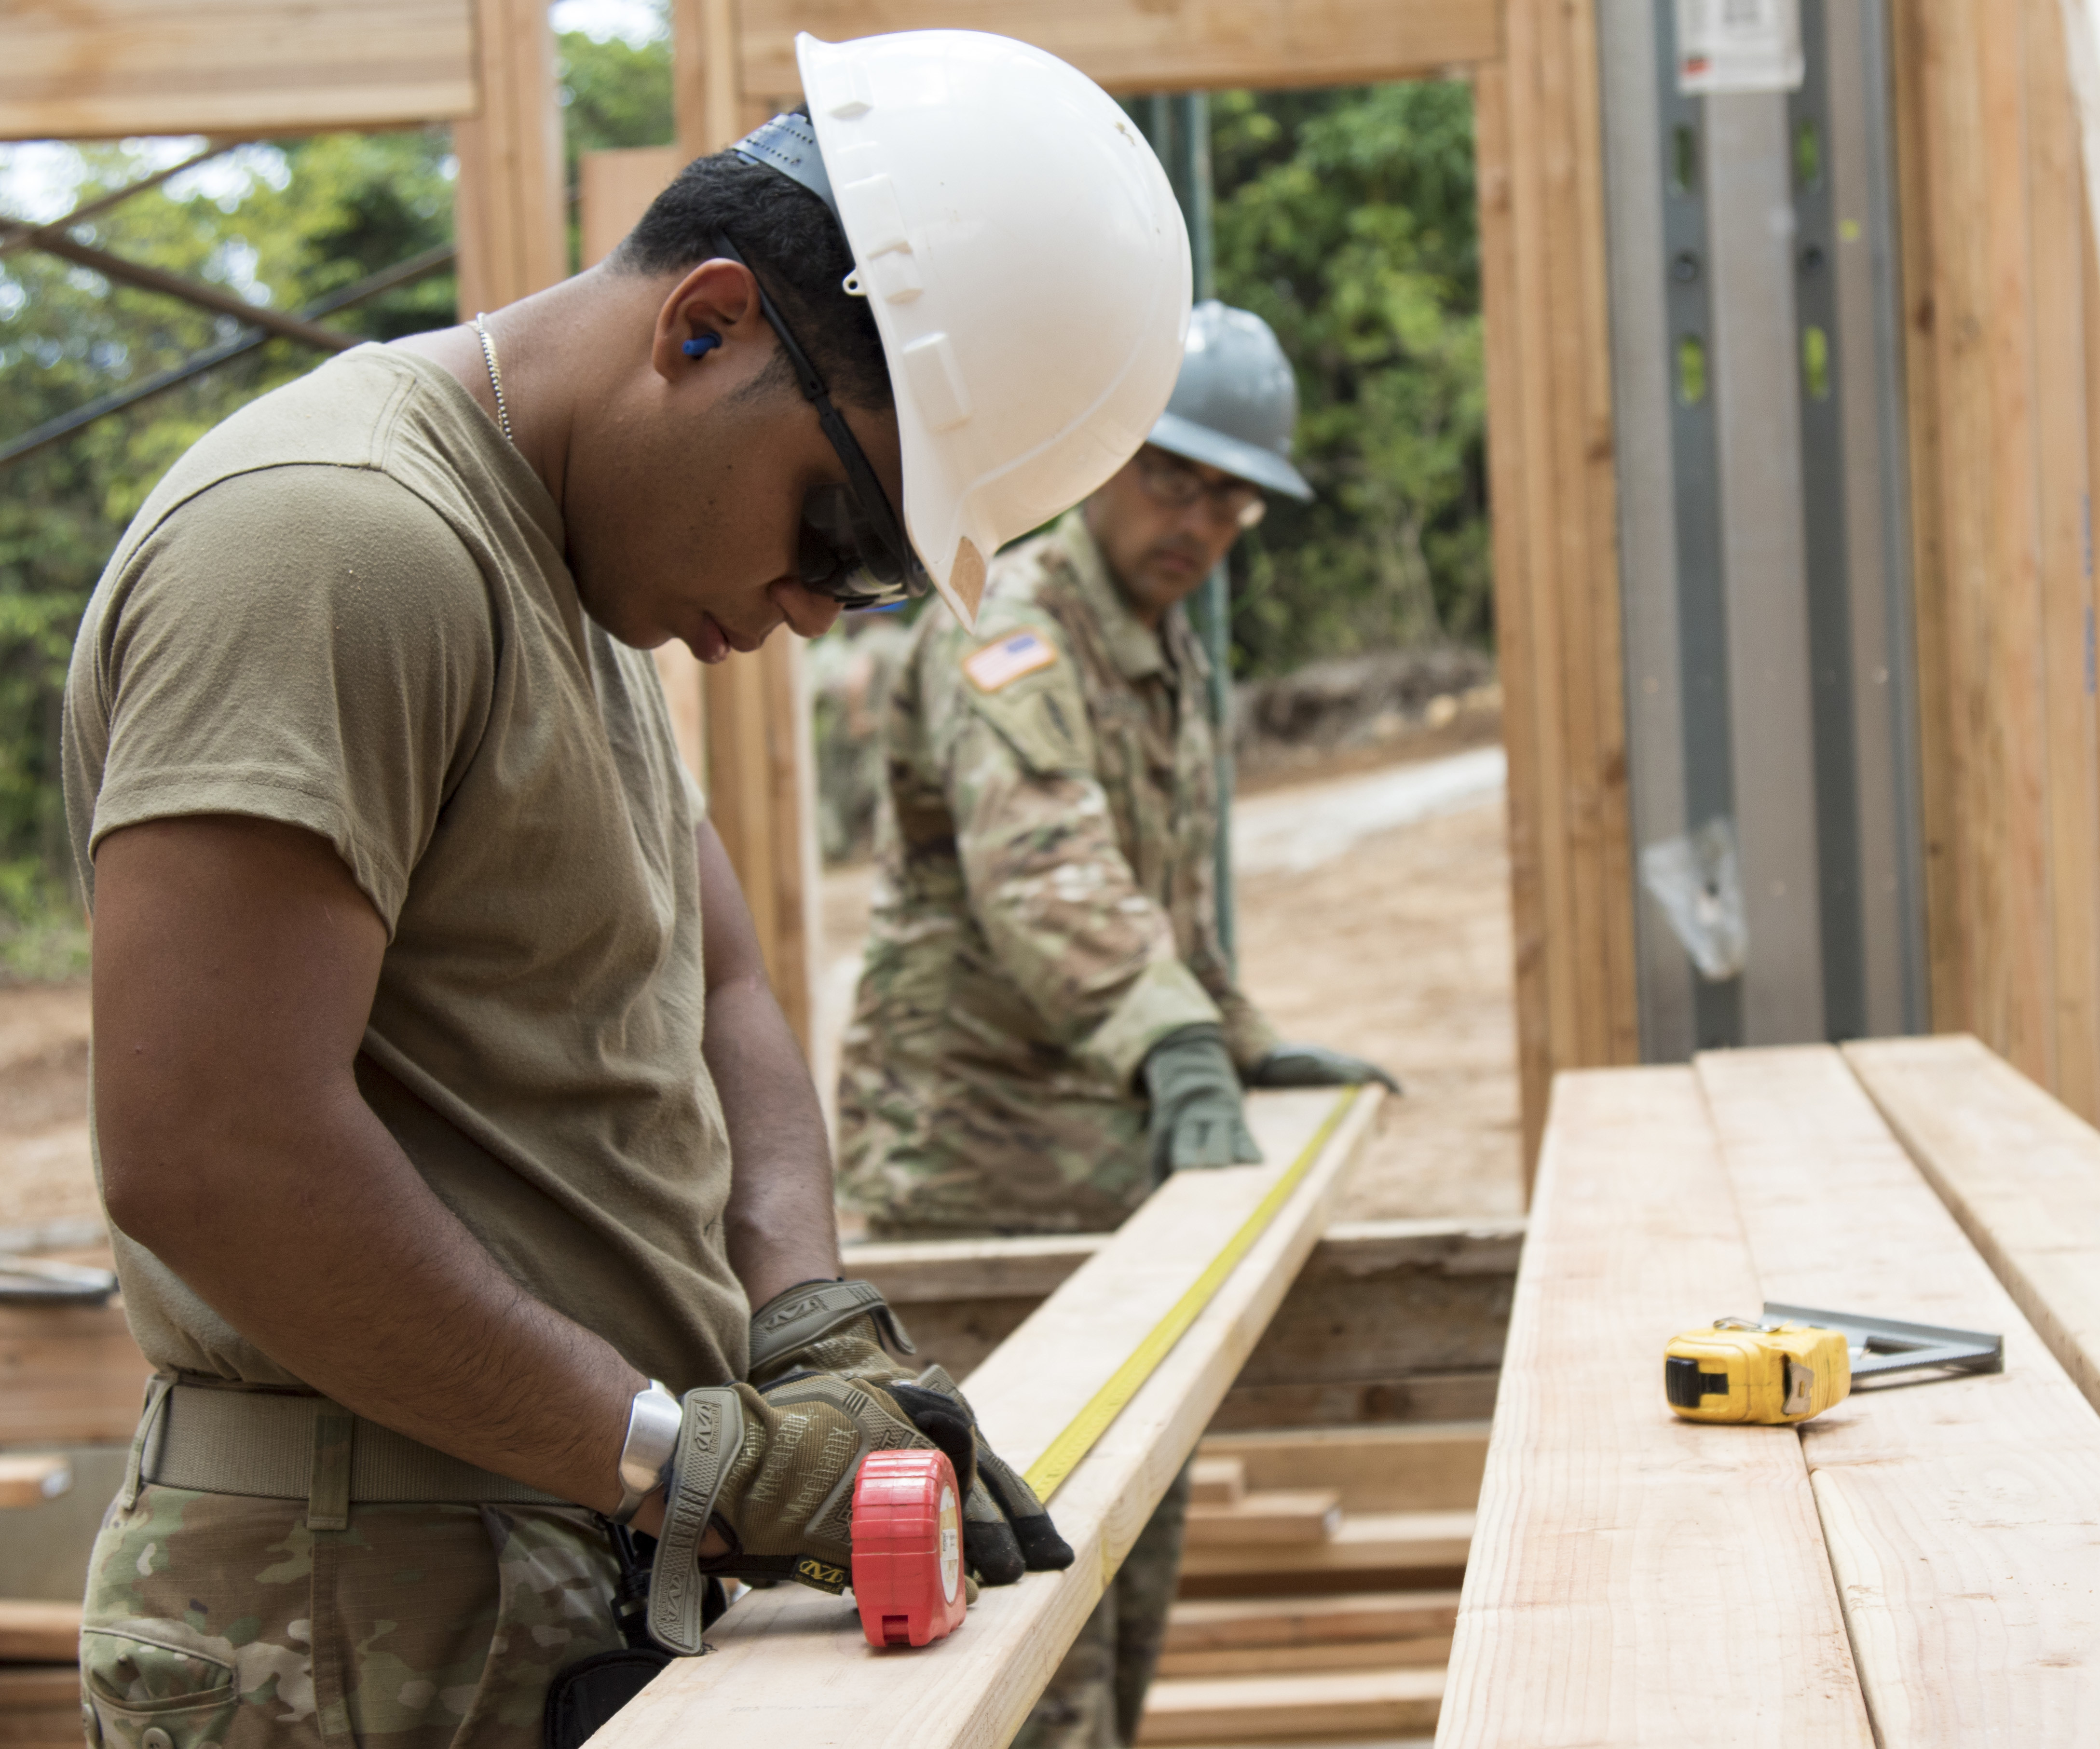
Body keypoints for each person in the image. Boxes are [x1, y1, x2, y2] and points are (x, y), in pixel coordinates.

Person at [62, 29, 1191, 1749]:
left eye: (878, 582)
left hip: (544, 1557)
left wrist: (804, 1320)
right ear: (706, 322)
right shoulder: (337, 539)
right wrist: (692, 1457)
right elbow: (210, 1146)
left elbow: (723, 983)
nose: (818, 610)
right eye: (839, 534)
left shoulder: (562, 582)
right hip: (346, 1621)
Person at [835, 300, 1399, 1749]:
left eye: (1234, 498)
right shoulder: (1014, 628)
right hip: (967, 1164)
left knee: (1131, 1542)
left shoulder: (1163, 651)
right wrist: (1172, 1045)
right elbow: (1043, 863)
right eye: (1175, 477)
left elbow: (1168, 897)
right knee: (1022, 1593)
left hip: (1098, 1160)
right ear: (1102, 462)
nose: (1202, 521)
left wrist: (1234, 1028)